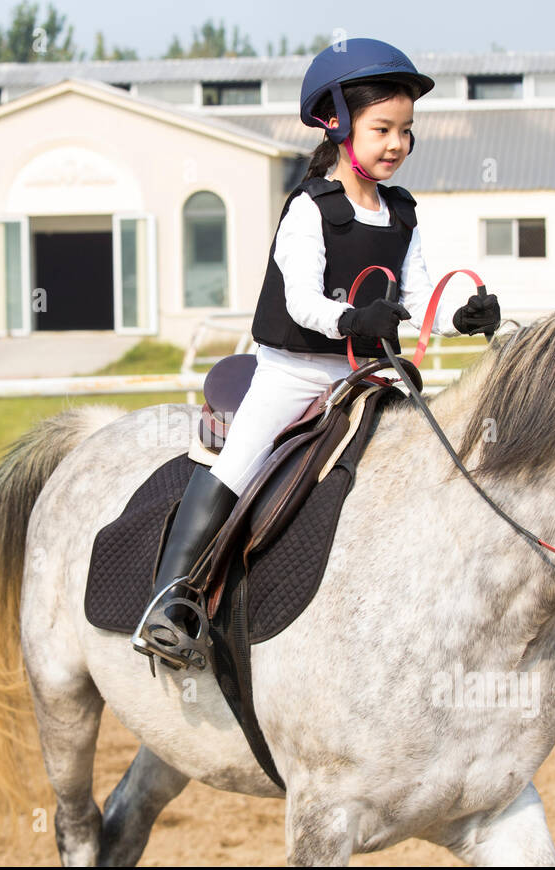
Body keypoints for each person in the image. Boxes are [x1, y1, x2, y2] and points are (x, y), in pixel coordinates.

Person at [135, 38, 502, 664]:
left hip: (371, 375)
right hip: (293, 373)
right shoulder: (308, 209)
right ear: (337, 124)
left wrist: (459, 318)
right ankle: (171, 601)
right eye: (383, 128)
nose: (397, 144)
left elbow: (415, 297)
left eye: (406, 131)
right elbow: (305, 303)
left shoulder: (403, 212)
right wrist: (355, 316)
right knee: (243, 455)